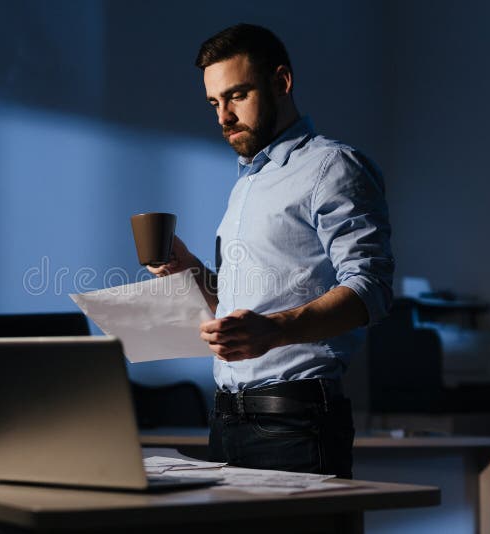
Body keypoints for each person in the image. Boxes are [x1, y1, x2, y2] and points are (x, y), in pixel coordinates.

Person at [148, 23, 394, 477]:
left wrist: (275, 331)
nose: (223, 116)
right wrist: (191, 271)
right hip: (225, 420)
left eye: (237, 96)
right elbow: (242, 309)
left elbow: (372, 289)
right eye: (214, 103)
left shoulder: (332, 166)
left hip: (294, 424)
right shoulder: (248, 184)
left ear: (281, 82)